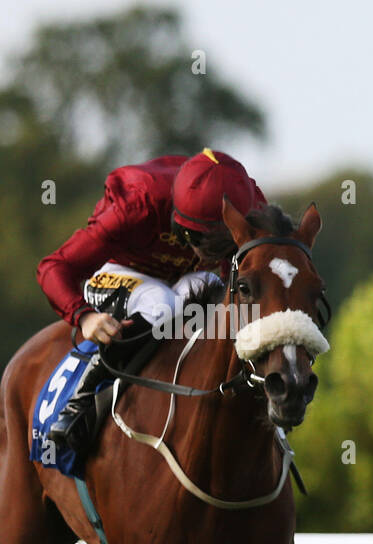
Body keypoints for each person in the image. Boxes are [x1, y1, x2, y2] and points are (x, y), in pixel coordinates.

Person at [36, 148, 265, 453]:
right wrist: (84, 316)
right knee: (163, 304)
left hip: (183, 280)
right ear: (177, 221)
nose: (212, 253)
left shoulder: (252, 206)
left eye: (224, 245)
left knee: (214, 287)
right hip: (120, 271)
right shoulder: (138, 205)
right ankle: (81, 399)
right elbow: (54, 267)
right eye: (200, 241)